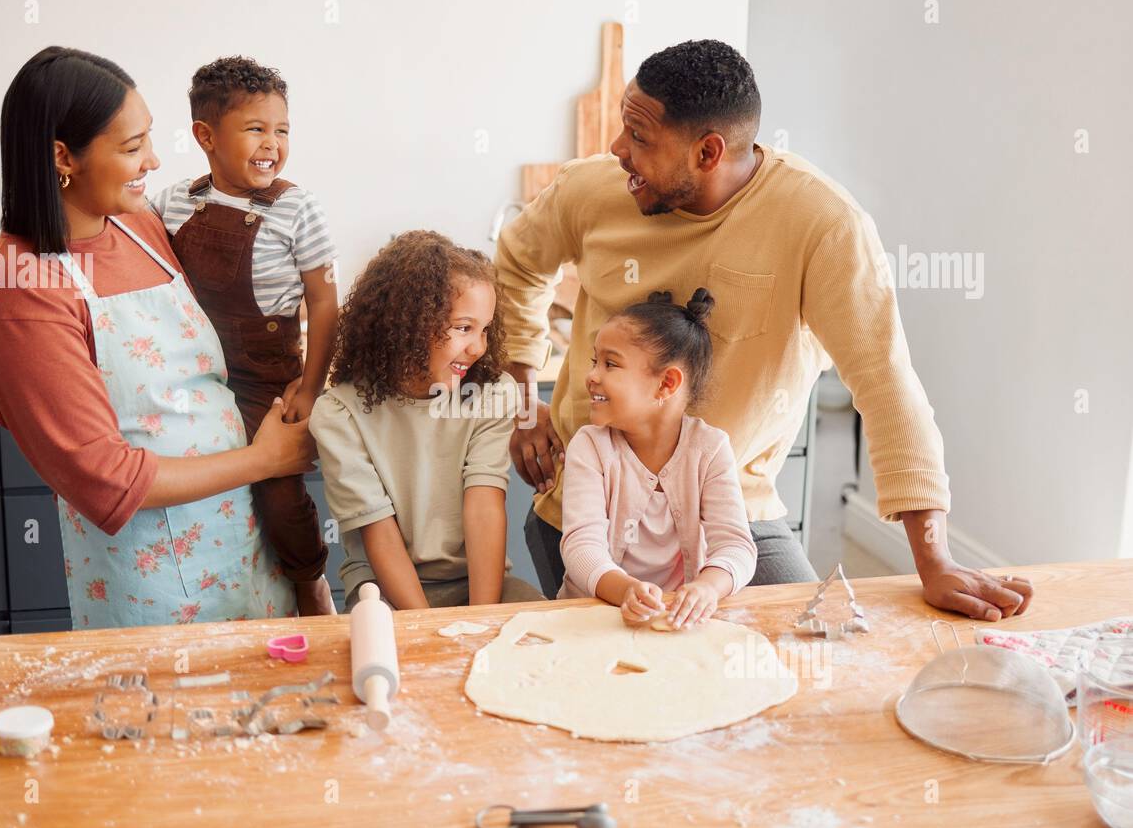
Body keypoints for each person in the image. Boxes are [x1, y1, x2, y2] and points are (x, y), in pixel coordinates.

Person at [497, 39, 1032, 623]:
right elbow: (517, 265)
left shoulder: (822, 225)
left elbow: (884, 380)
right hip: (587, 508)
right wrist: (525, 400)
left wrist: (934, 560)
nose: (617, 149)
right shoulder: (594, 189)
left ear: (708, 151)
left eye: (641, 138)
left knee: (805, 651)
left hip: (735, 512)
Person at [0, 47, 312, 627]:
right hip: (157, 586)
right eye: (131, 148)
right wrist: (262, 459)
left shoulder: (138, 224)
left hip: (245, 543)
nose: (153, 160)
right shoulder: (20, 287)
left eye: (148, 138)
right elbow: (106, 481)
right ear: (62, 158)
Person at [152, 57, 338, 616]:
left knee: (279, 496)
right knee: (198, 494)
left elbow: (325, 301)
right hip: (193, 374)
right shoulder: (170, 203)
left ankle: (310, 584)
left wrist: (310, 386)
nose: (272, 144)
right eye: (255, 128)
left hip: (266, 379)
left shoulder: (297, 209)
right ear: (205, 137)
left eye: (282, 130)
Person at [309, 231, 545, 609]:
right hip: (384, 591)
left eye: (485, 330)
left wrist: (481, 617)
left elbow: (484, 507)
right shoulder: (341, 414)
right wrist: (428, 628)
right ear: (408, 324)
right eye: (464, 328)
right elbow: (379, 533)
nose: (479, 347)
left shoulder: (492, 394)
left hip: (479, 585)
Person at [560, 289, 756, 630]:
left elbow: (737, 546)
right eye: (595, 361)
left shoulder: (709, 449)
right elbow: (580, 546)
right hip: (591, 620)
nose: (592, 376)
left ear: (666, 383)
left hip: (675, 622)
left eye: (610, 363)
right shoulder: (589, 447)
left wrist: (707, 588)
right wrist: (626, 591)